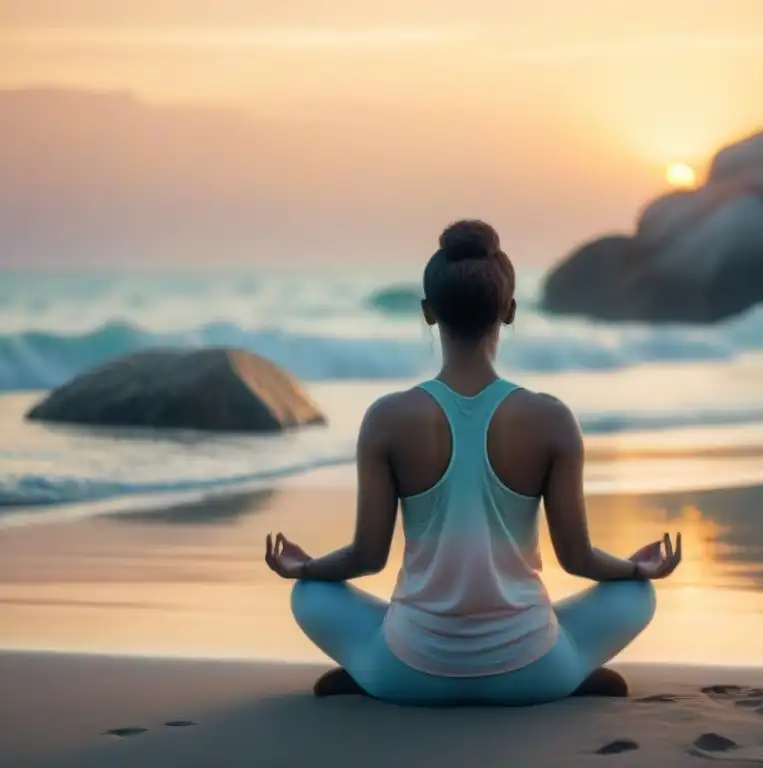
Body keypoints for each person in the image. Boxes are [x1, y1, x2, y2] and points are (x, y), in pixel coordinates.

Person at [265, 220, 682, 707]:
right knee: (636, 596)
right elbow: (579, 559)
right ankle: (569, 670)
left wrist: (307, 566)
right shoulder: (551, 418)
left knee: (309, 594)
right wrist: (635, 569)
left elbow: (366, 558)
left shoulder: (387, 418)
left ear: (427, 312)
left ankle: (369, 667)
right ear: (509, 312)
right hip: (534, 673)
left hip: (407, 673)